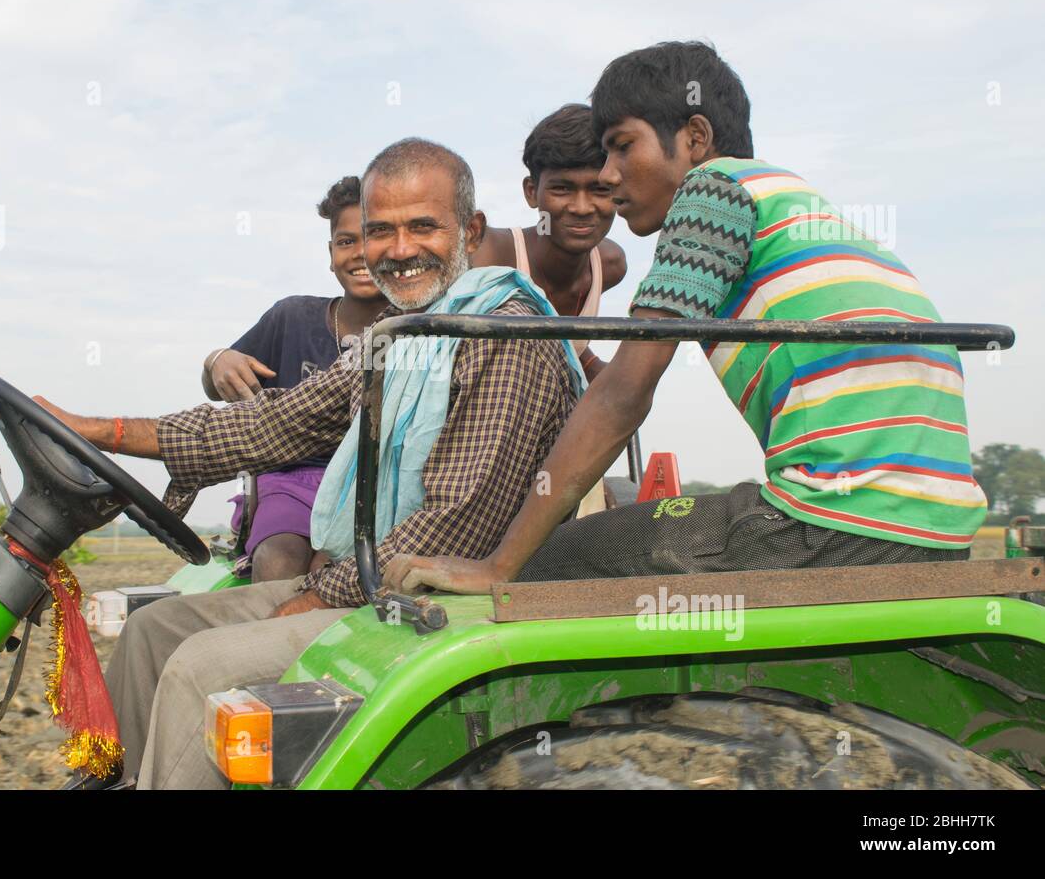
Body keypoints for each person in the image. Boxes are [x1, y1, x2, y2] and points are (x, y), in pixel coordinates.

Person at [34, 137, 582, 788]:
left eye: (422, 226)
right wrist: (96, 430)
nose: (399, 249)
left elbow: (453, 529)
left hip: (437, 602)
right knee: (151, 633)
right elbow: (271, 423)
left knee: (200, 669)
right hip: (373, 583)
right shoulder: (403, 339)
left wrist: (318, 594)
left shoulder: (503, 337)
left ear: (471, 230)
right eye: (380, 231)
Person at [384, 41, 987, 597]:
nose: (610, 174)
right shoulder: (792, 200)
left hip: (835, 525)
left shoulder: (714, 191)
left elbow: (626, 391)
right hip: (937, 525)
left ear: (695, 138)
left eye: (622, 146)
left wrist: (497, 567)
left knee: (549, 559)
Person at [199, 177, 389, 582]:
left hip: (378, 483)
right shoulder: (292, 317)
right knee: (280, 559)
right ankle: (272, 640)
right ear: (330, 252)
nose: (359, 255)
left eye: (371, 238)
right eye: (345, 241)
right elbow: (216, 386)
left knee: (363, 571)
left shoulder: (414, 330)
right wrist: (217, 361)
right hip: (294, 482)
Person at [472, 103, 627, 380]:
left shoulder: (610, 266)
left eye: (599, 189)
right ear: (532, 192)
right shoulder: (488, 258)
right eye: (562, 188)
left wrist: (593, 367)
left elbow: (557, 341)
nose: (581, 208)